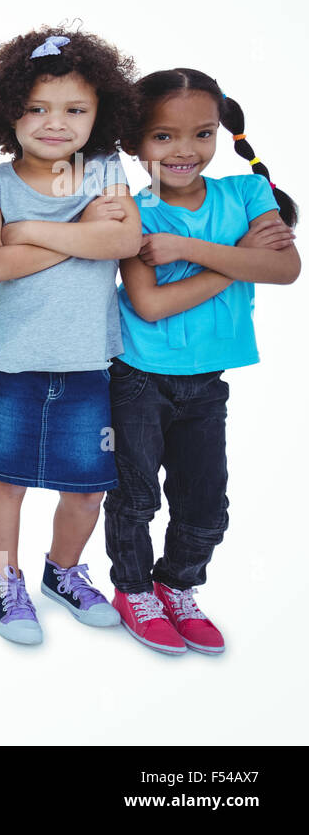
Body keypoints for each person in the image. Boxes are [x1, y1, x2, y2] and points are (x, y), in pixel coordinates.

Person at [107, 68, 299, 654]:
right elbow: (150, 302)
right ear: (135, 143)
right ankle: (133, 590)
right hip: (139, 376)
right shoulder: (130, 211)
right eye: (163, 137)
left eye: (202, 134)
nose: (185, 151)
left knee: (207, 503)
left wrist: (189, 250)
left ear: (221, 133)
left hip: (206, 383)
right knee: (136, 497)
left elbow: (285, 269)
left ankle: (176, 586)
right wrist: (237, 259)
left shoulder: (246, 193)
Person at [0, 28, 141, 646]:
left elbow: (121, 242)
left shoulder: (107, 169)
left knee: (88, 487)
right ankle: (5, 580)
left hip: (88, 360)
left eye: (74, 110)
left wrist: (30, 231)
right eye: (36, 107)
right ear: (7, 109)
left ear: (100, 115)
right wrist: (78, 227)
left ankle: (62, 572)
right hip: (10, 359)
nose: (54, 123)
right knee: (7, 479)